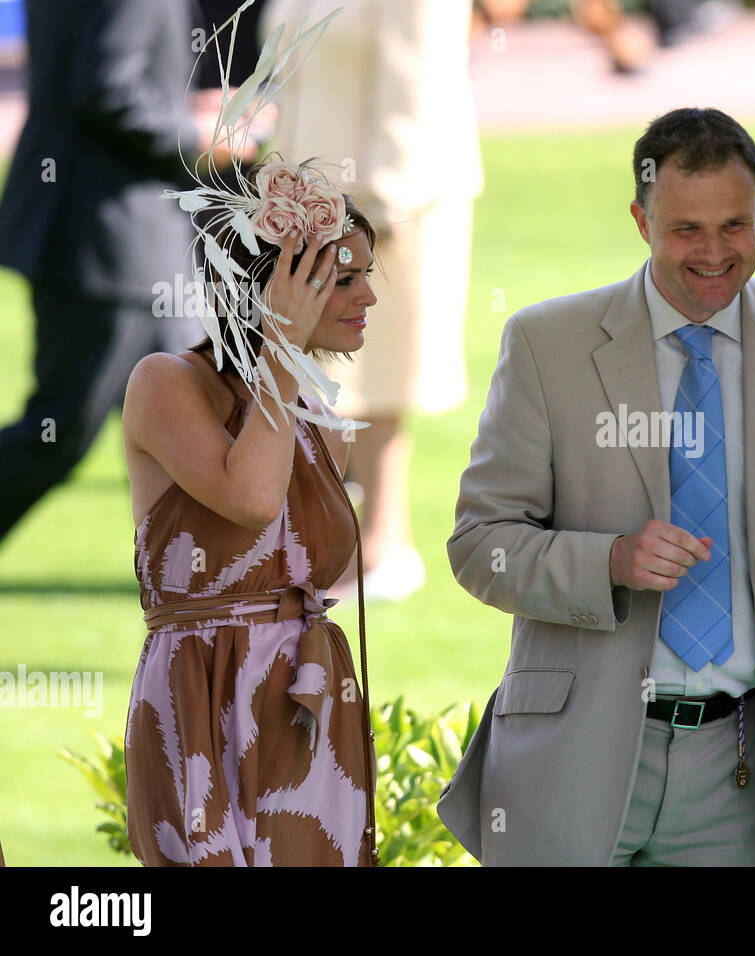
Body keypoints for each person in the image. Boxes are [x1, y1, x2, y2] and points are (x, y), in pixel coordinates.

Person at [440, 107, 755, 866]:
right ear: (641, 221)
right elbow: (480, 545)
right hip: (576, 756)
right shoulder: (548, 344)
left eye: (734, 226)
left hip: (746, 770)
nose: (713, 254)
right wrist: (609, 562)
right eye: (685, 231)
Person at [121, 159, 381, 866]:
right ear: (278, 290)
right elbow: (253, 500)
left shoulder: (321, 412)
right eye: (345, 278)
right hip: (202, 694)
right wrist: (280, 348)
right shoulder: (168, 384)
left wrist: (285, 361)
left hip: (303, 700)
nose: (370, 298)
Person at [266, 0, 484, 602]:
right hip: (312, 206)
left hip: (392, 207)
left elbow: (418, 85)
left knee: (378, 375)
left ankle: (385, 546)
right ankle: (332, 539)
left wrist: (377, 209)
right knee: (320, 372)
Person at [0, 0, 200, 544]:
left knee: (203, 426)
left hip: (117, 239)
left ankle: (226, 595)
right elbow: (107, 87)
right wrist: (199, 135)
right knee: (58, 433)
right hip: (109, 244)